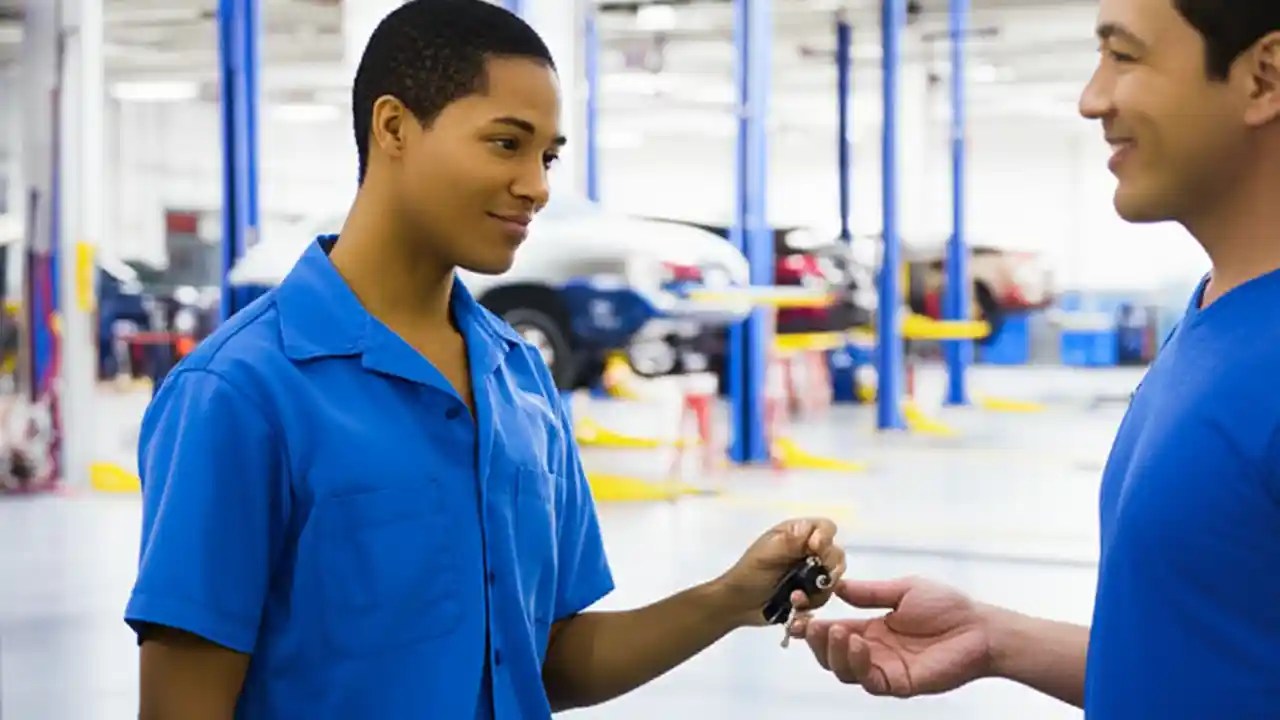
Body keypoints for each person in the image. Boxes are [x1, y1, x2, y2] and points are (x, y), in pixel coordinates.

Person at [124, 2, 846, 718]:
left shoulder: (518, 378)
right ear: (394, 127)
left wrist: (725, 600)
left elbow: (547, 660)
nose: (537, 184)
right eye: (507, 144)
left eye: (548, 155)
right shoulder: (240, 393)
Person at [790, 0, 1280, 717]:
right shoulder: (1214, 313)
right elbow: (1207, 657)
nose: (1092, 98)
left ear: (1264, 77)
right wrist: (996, 639)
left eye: (1124, 56)